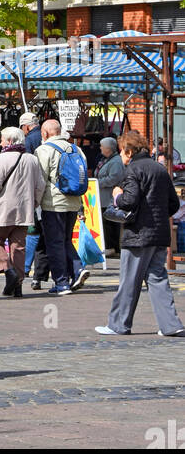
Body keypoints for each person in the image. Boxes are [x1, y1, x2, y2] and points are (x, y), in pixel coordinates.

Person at [96, 130, 185, 337]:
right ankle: (171, 325)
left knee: (129, 280)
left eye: (122, 151)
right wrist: (157, 215)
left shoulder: (133, 170)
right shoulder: (159, 169)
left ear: (129, 151)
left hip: (137, 234)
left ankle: (118, 324)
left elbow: (129, 201)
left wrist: (117, 196)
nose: (121, 155)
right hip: (159, 233)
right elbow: (173, 204)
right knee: (157, 278)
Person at [0, 127, 45, 298]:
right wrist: (34, 202)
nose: (0, 143)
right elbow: (40, 185)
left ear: (10, 141)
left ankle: (8, 269)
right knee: (18, 247)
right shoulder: (32, 159)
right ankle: (17, 286)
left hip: (4, 209)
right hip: (25, 209)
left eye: (2, 139)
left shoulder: (1, 159)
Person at [36, 118, 89, 295]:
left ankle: (62, 283)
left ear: (44, 133)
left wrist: (35, 202)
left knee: (54, 243)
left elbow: (40, 180)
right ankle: (77, 270)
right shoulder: (76, 149)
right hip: (73, 201)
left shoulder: (44, 150)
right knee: (66, 240)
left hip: (53, 203)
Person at [96, 135, 125, 255]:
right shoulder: (107, 159)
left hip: (109, 198)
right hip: (104, 197)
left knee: (110, 224)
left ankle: (112, 247)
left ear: (108, 148)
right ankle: (109, 246)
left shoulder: (116, 161)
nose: (100, 148)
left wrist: (98, 182)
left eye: (102, 146)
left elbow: (114, 178)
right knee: (106, 223)